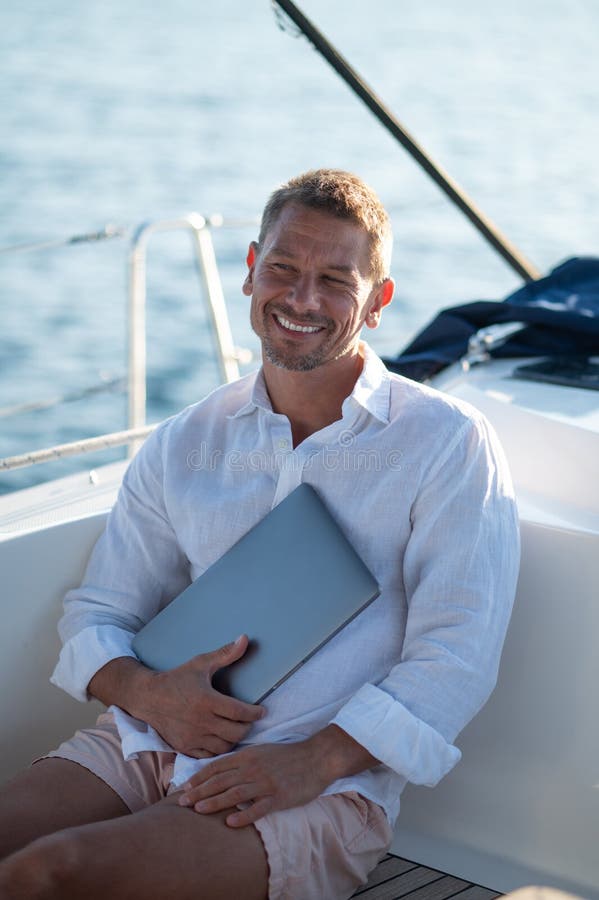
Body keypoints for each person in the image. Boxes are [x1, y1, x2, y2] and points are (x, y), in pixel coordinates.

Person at [0, 169, 520, 900]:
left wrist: (313, 761)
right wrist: (149, 695)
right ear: (249, 270)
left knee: (47, 875)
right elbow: (98, 611)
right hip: (146, 735)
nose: (302, 299)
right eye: (282, 268)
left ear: (377, 302)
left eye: (335, 280)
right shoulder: (184, 440)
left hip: (318, 783)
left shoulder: (446, 442)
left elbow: (456, 656)